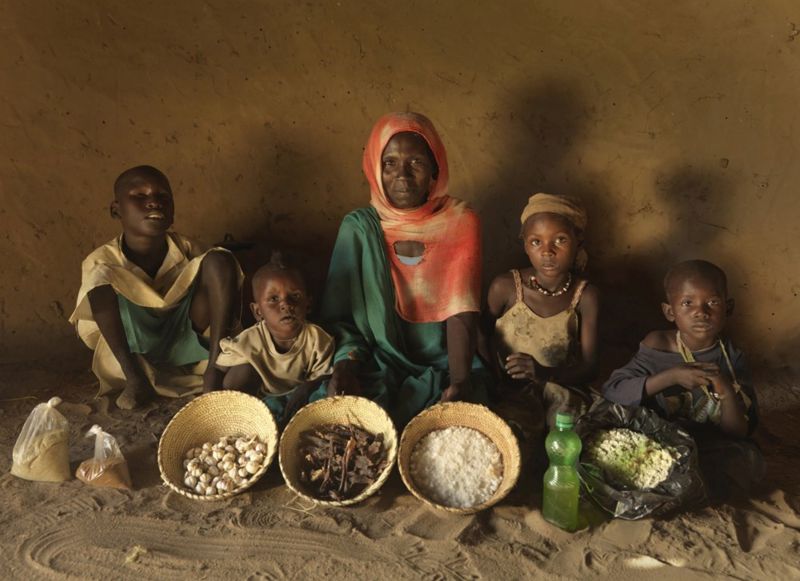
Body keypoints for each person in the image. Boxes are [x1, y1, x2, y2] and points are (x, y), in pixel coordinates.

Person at [312, 112, 486, 427]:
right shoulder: (359, 228)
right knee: (344, 418)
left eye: (416, 163)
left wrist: (460, 382)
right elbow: (338, 318)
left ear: (435, 168)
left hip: (446, 360)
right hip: (375, 358)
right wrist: (344, 368)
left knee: (464, 417)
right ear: (374, 169)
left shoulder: (460, 221)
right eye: (389, 163)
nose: (402, 176)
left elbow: (462, 308)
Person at [69, 165, 242, 409]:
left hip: (186, 337)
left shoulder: (187, 248)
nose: (153, 202)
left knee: (219, 260)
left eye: (162, 196)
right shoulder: (101, 261)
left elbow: (219, 295)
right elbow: (91, 334)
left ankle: (214, 370)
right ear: (116, 209)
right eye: (140, 196)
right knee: (100, 278)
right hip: (136, 347)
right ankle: (135, 379)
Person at [602, 259, 764, 499]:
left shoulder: (730, 356)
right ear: (670, 311)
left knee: (747, 460)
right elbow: (613, 391)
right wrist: (670, 377)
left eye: (712, 302)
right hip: (659, 440)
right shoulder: (658, 345)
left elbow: (738, 432)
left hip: (706, 444)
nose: (701, 311)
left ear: (728, 308)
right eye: (688, 303)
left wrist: (725, 389)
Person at [483, 193, 599, 456]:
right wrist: (495, 374)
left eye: (560, 240)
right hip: (509, 390)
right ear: (525, 245)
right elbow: (480, 335)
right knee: (506, 443)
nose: (547, 251)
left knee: (572, 444)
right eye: (536, 242)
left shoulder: (585, 296)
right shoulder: (506, 288)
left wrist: (542, 373)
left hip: (561, 388)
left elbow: (590, 367)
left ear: (578, 241)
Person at [216, 252, 334, 423]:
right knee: (236, 375)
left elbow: (321, 377)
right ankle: (243, 418)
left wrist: (305, 389)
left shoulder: (317, 339)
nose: (286, 304)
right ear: (258, 311)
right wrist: (212, 407)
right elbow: (219, 370)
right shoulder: (250, 339)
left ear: (308, 304)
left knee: (326, 391)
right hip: (259, 399)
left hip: (300, 397)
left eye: (295, 296)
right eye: (273, 299)